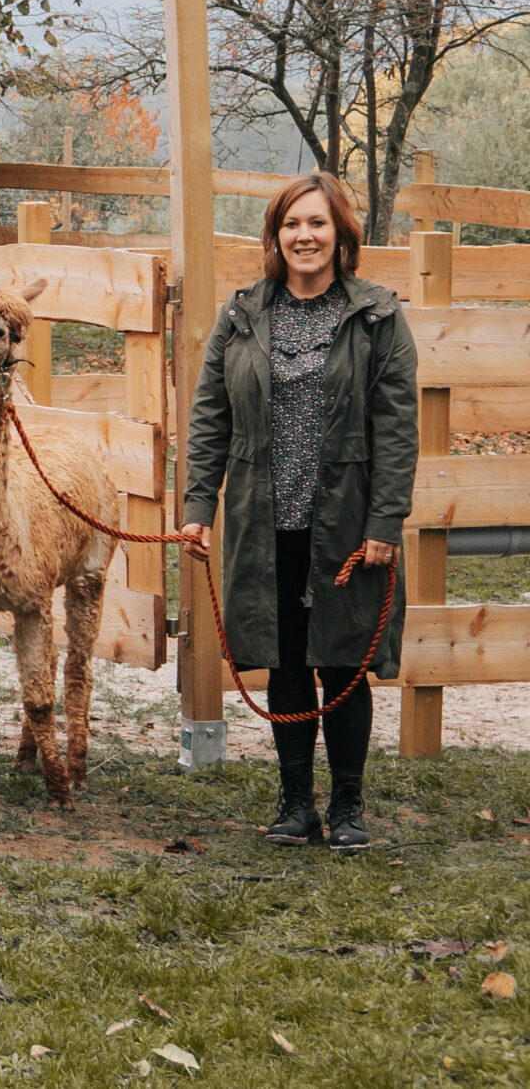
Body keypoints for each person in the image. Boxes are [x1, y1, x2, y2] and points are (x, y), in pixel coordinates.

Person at [180, 172, 412, 852]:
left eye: (317, 223)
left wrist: (384, 523)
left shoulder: (377, 317)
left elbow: (398, 430)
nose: (304, 236)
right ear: (274, 237)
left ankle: (346, 808)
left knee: (340, 662)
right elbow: (210, 417)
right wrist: (199, 505)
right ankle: (293, 803)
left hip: (346, 521)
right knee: (284, 660)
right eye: (291, 224)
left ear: (341, 234)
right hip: (264, 517)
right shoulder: (242, 315)